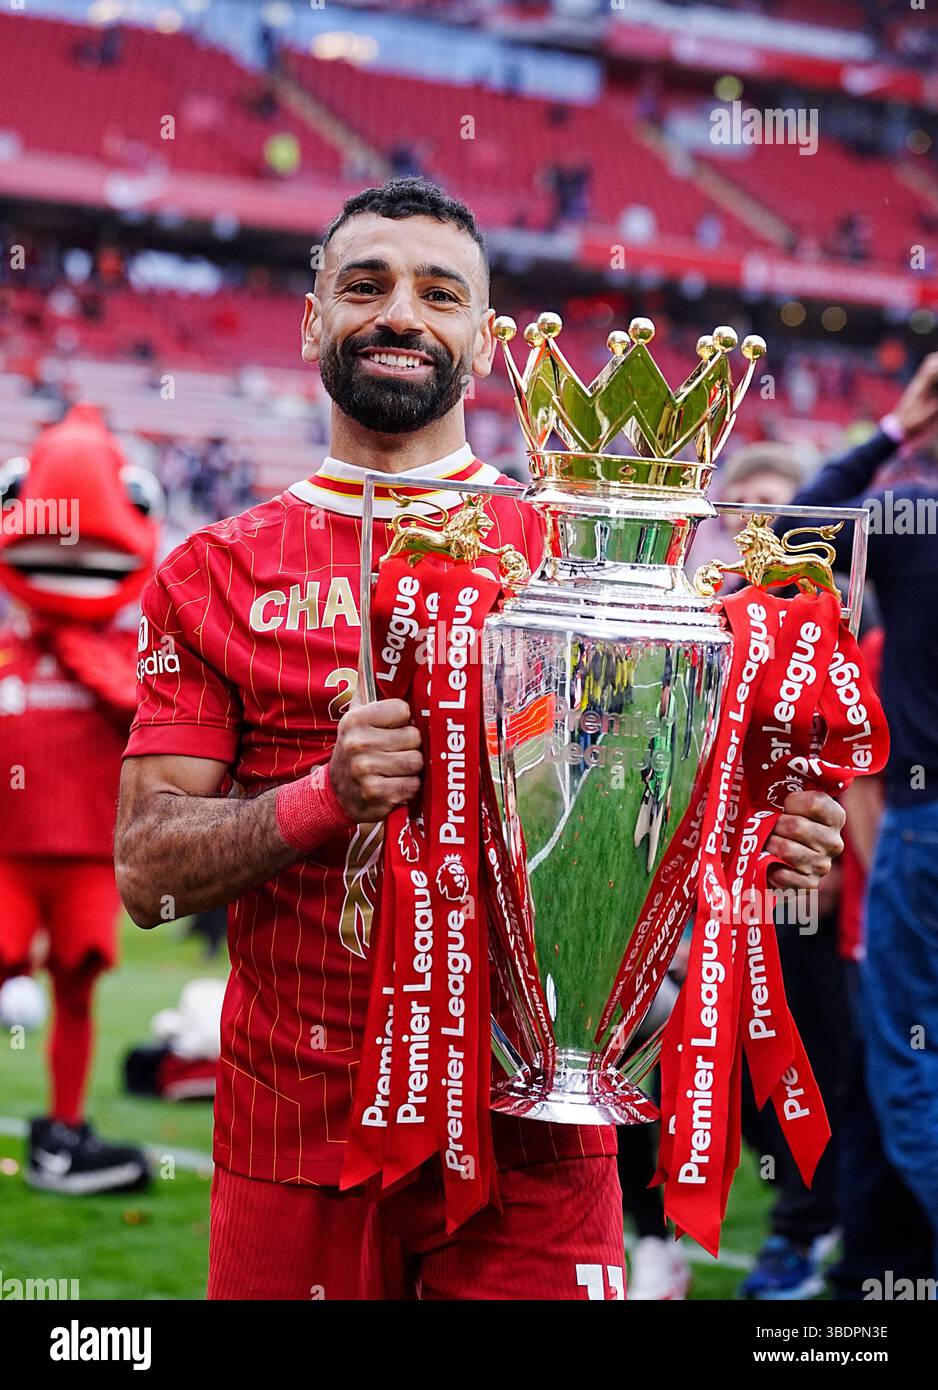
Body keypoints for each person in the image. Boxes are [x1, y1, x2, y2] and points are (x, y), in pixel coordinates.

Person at [114, 178, 844, 1301]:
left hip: (537, 1131)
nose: (399, 313)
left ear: (482, 334)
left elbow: (659, 815)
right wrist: (326, 794)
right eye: (364, 286)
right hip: (295, 1136)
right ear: (312, 320)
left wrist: (762, 833)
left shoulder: (581, 560)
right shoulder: (215, 571)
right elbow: (147, 873)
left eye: (437, 292)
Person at [782, 352, 938, 1279]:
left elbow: (793, 532)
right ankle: (871, 1266)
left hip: (924, 829)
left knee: (908, 1064)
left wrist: (893, 429)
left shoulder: (917, 524)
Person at [0, 405, 159, 1193]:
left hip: (91, 860)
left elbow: (143, 715)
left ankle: (62, 1135)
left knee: (77, 985)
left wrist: (76, 650)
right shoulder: (5, 653)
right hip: (9, 859)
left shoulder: (128, 655)